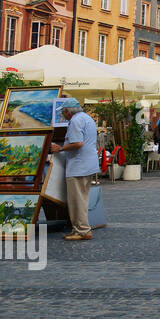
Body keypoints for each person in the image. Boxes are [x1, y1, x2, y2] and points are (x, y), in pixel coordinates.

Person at [50, 99, 98, 241]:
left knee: (77, 200)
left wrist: (60, 148)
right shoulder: (86, 118)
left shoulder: (75, 121)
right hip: (87, 164)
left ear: (67, 111)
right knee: (82, 199)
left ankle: (81, 230)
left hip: (78, 166)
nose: (63, 116)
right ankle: (82, 229)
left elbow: (77, 143)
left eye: (63, 112)